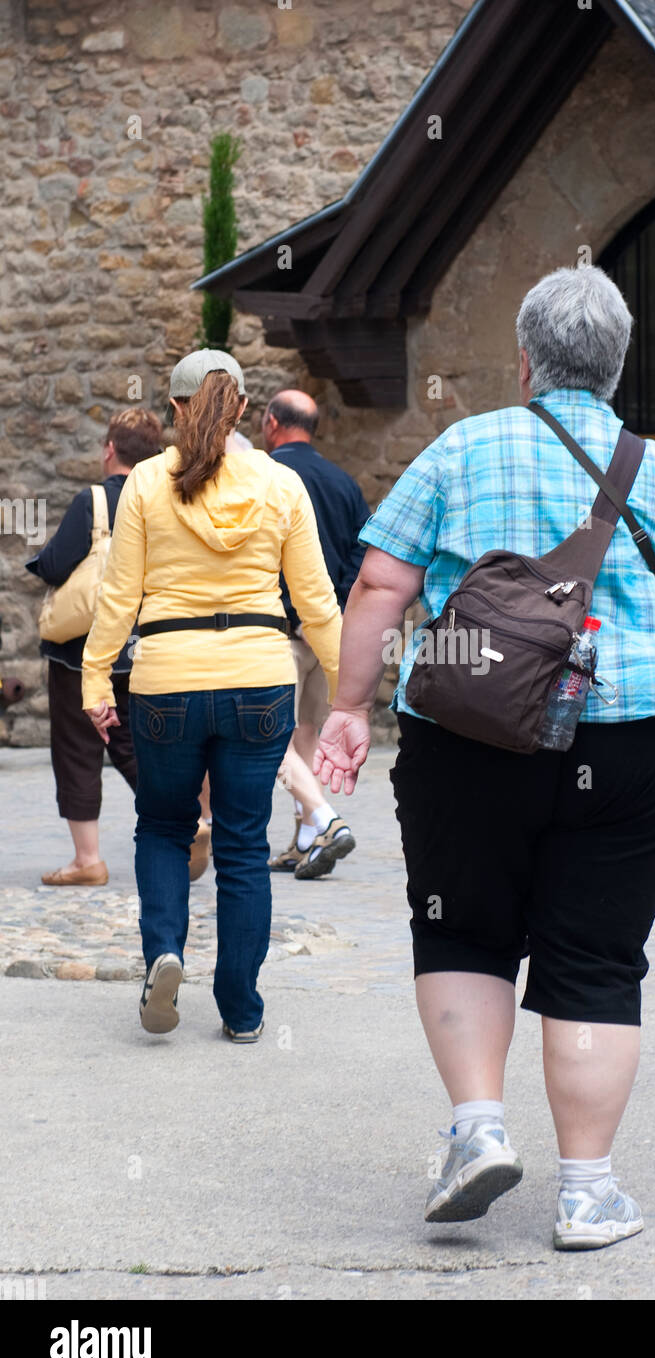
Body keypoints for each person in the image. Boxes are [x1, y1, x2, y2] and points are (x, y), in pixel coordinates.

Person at [316, 266, 655, 1248]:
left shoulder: (456, 451)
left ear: (524, 360)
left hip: (467, 740)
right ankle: (585, 1191)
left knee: (461, 930)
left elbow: (378, 590)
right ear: (614, 365)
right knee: (596, 959)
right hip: (638, 742)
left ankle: (476, 1131)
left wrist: (347, 708)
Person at [82, 349, 342, 1041]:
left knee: (165, 827)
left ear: (176, 408)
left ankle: (165, 950)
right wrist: (346, 697)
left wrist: (94, 676)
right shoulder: (281, 483)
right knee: (243, 846)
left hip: (167, 677)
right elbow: (315, 604)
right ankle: (241, 1007)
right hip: (259, 676)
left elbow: (118, 596)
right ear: (244, 410)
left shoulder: (144, 483)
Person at [25, 408, 163, 886]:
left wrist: (38, 563)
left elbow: (58, 564)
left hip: (85, 653)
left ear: (109, 450)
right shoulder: (164, 497)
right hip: (148, 647)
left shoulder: (95, 501)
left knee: (79, 746)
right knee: (133, 744)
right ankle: (187, 829)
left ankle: (88, 860)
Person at [262, 389, 370, 879]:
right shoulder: (344, 483)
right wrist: (334, 609)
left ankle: (325, 820)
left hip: (276, 631)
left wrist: (296, 609)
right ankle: (306, 839)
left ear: (270, 424)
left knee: (270, 737)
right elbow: (363, 553)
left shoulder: (267, 479)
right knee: (305, 734)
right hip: (329, 635)